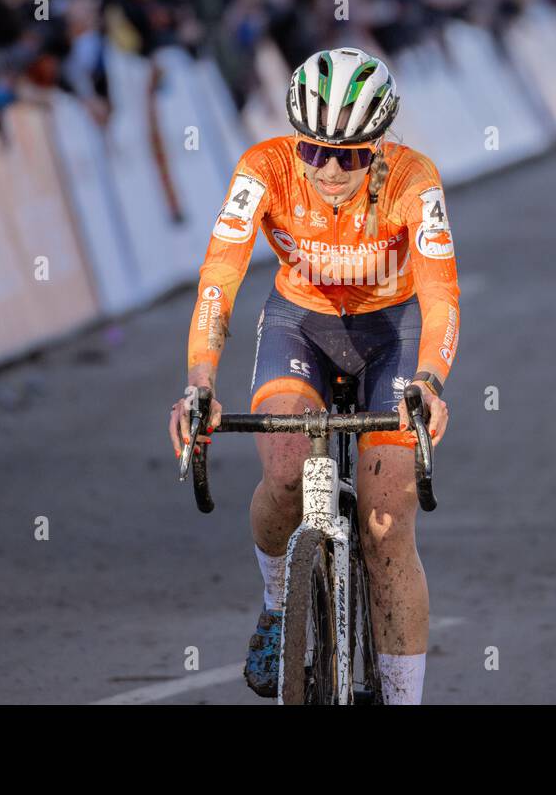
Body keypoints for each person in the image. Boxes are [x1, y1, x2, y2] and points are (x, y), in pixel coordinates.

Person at [167, 47, 460, 704]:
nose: (330, 168)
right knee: (284, 472)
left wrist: (431, 381)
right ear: (294, 140)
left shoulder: (415, 180)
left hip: (392, 331)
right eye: (315, 150)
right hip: (299, 324)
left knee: (386, 528)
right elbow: (220, 278)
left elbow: (441, 295)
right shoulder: (263, 169)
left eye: (352, 154)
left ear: (380, 144)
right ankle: (278, 605)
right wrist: (199, 380)